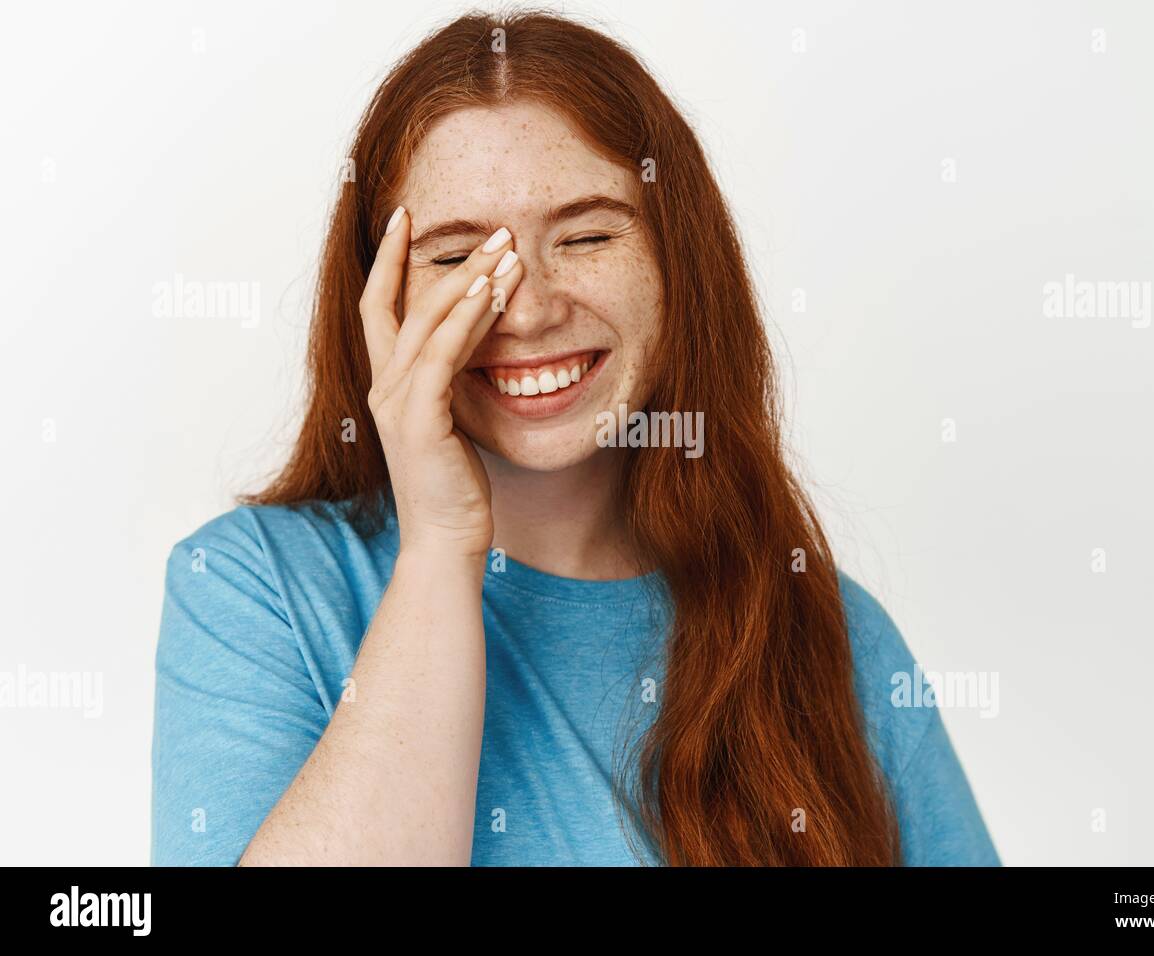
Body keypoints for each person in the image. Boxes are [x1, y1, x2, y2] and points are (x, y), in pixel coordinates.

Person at [150, 10, 999, 867]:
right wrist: (441, 545)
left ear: (679, 261)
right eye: (456, 258)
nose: (527, 308)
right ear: (381, 303)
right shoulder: (254, 592)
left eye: (588, 236)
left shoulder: (830, 631)